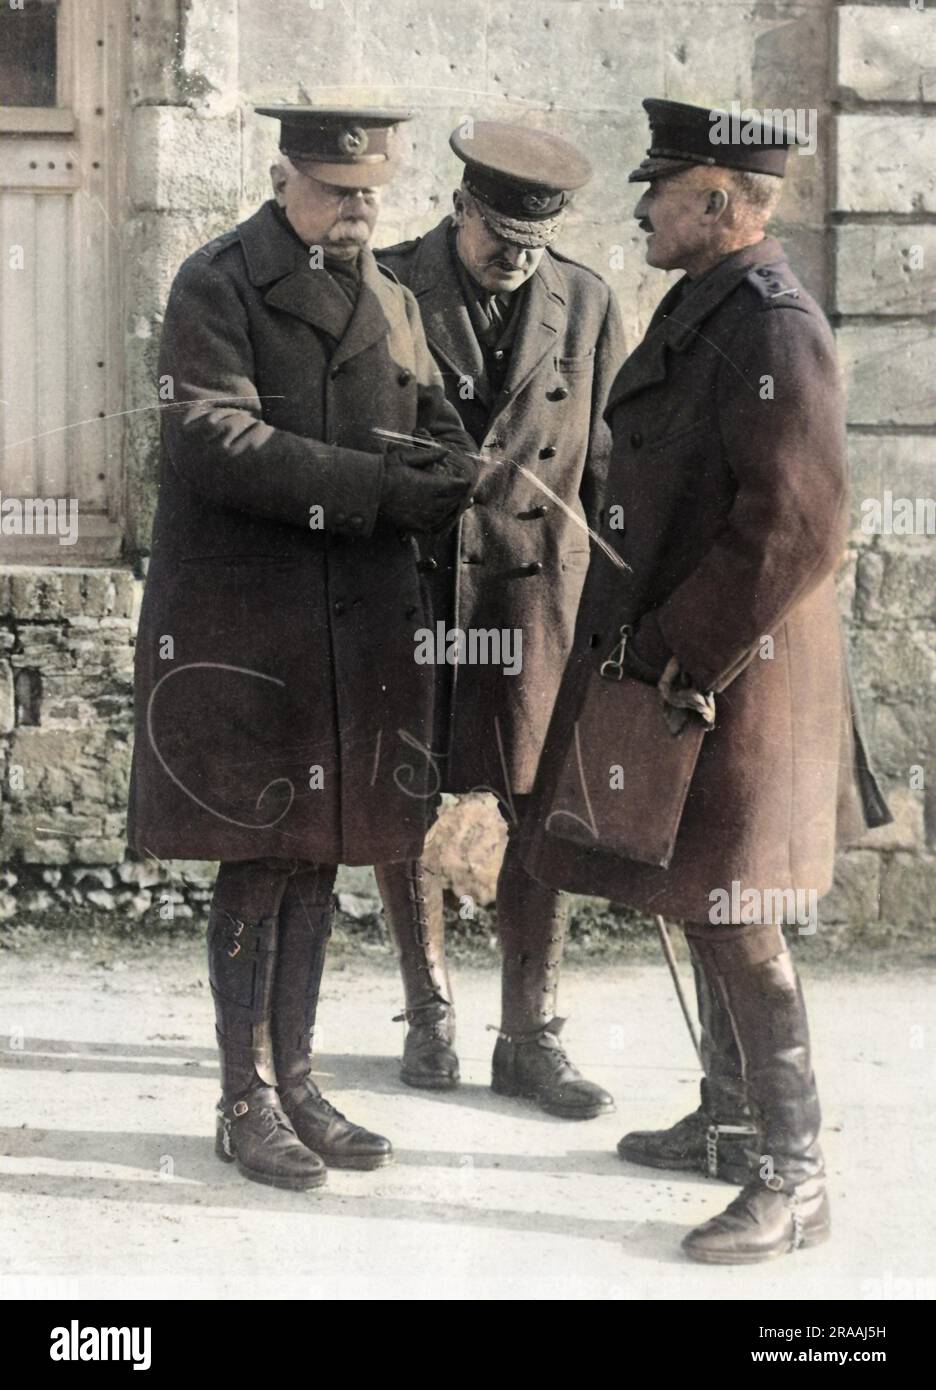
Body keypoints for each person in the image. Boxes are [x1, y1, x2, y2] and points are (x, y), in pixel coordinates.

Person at [521, 99, 891, 1260]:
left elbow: (801, 527)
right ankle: (732, 1120)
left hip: (741, 677)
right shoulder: (709, 304)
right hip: (703, 671)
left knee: (740, 915)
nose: (640, 209)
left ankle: (796, 1175)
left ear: (721, 202)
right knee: (698, 894)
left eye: (660, 189)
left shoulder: (776, 325)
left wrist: (680, 649)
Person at [127, 106, 477, 1190]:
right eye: (334, 190)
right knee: (260, 854)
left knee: (325, 849)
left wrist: (455, 470)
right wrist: (379, 490)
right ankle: (243, 1099)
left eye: (371, 192)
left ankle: (301, 1079)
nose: (357, 208)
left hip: (355, 622)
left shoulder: (394, 299)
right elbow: (211, 437)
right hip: (253, 621)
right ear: (284, 180)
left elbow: (433, 416)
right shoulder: (216, 282)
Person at [375, 121, 625, 1117]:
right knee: (406, 800)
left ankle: (531, 1032)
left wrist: (614, 599)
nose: (515, 259)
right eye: (497, 237)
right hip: (417, 589)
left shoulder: (590, 303)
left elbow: (610, 465)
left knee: (538, 810)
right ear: (460, 206)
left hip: (531, 601)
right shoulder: (387, 288)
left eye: (533, 243)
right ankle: (427, 1008)